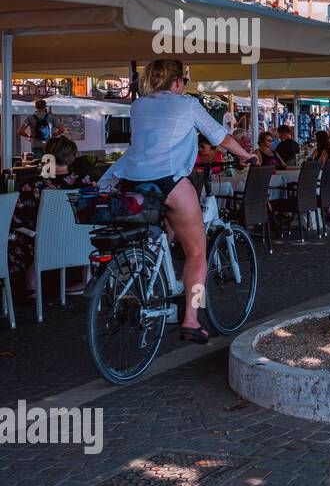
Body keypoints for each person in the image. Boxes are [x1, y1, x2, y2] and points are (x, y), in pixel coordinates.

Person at [100, 58, 259, 344]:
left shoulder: (138, 106)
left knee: (167, 228)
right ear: (177, 82)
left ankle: (154, 273)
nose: (184, 86)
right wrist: (245, 154)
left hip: (133, 180)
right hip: (169, 179)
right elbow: (219, 136)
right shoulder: (186, 104)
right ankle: (191, 319)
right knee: (197, 252)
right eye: (184, 81)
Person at [7, 136, 97, 298]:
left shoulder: (35, 185)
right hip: (80, 242)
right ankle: (85, 279)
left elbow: (18, 217)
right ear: (72, 157)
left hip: (45, 243)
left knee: (16, 234)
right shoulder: (87, 183)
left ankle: (31, 282)